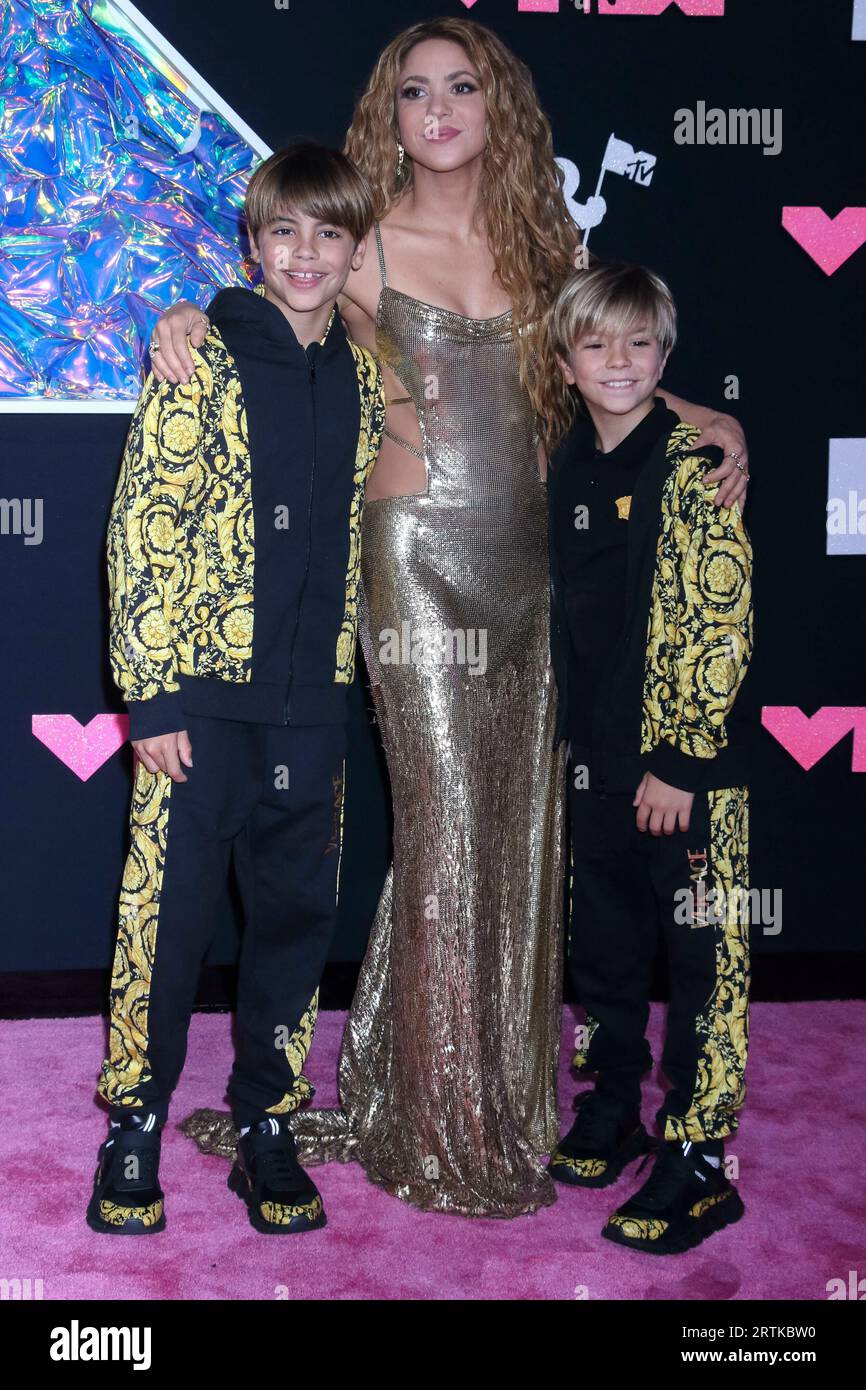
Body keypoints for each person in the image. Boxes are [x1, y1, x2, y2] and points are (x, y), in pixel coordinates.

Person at [148, 18, 751, 1218]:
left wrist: (704, 417)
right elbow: (283, 308)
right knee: (446, 831)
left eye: (460, 87)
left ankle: (506, 1089)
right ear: (391, 109)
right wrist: (188, 322)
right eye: (413, 91)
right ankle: (435, 1111)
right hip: (413, 561)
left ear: (496, 106)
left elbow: (603, 365)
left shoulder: (546, 238)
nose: (436, 111)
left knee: (521, 831)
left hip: (531, 571)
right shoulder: (364, 243)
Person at [88, 142, 384, 1236]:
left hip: (312, 705)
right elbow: (140, 529)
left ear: (355, 248)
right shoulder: (197, 354)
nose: (305, 254)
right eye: (283, 232)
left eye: (327, 234)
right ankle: (134, 1122)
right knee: (163, 924)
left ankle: (267, 1118)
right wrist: (151, 696)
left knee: (295, 926)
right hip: (198, 706)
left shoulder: (363, 373)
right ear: (252, 244)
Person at [546, 260, 753, 1255]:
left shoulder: (695, 461)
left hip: (690, 769)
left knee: (704, 957)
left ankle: (703, 1154)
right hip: (595, 756)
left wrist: (681, 759)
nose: (617, 362)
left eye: (638, 345)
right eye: (596, 345)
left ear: (664, 358)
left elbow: (720, 623)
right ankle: (613, 1100)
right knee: (605, 947)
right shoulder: (565, 460)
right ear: (566, 362)